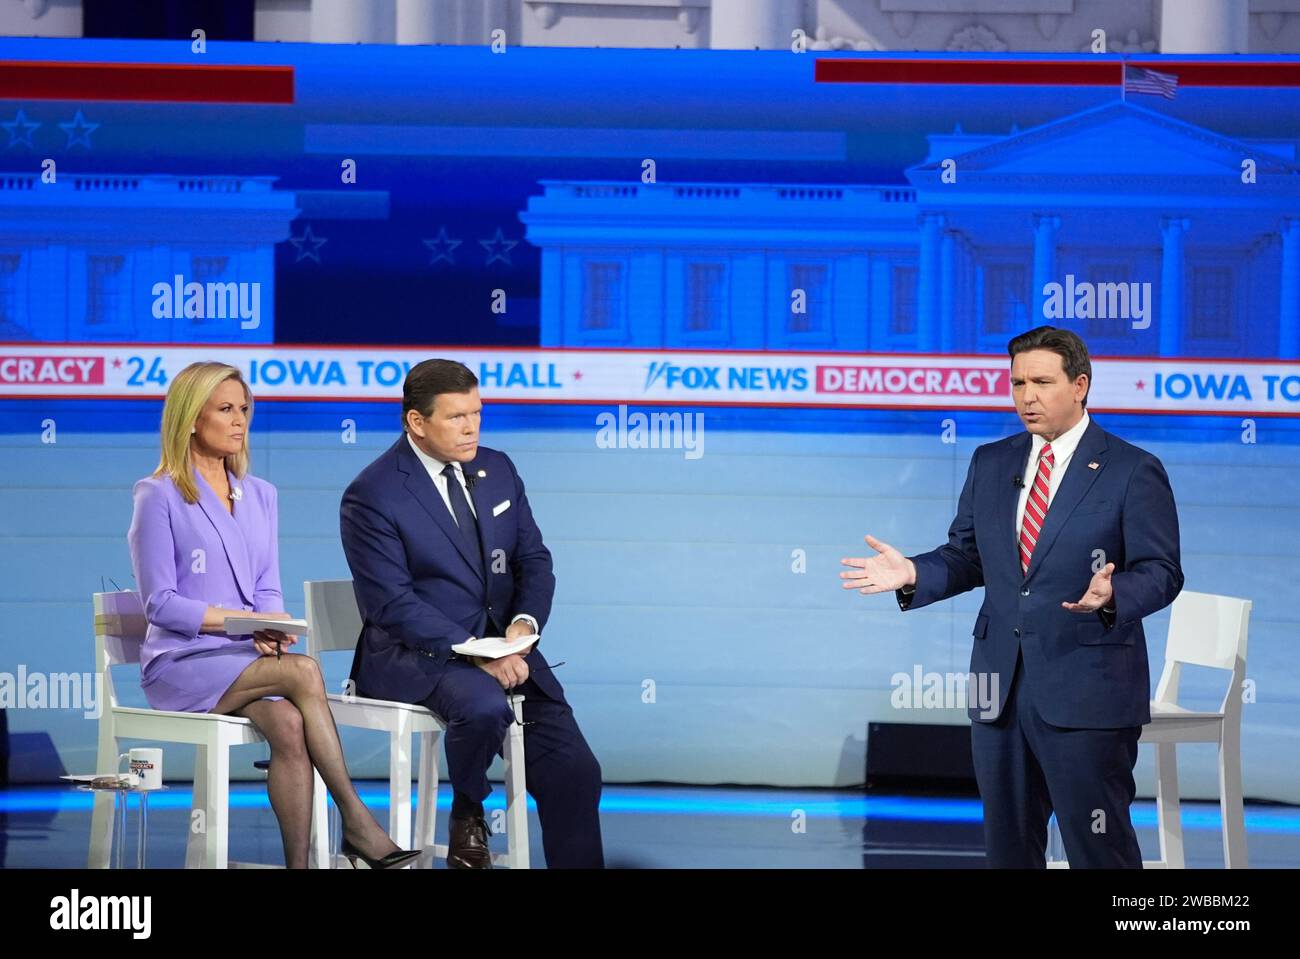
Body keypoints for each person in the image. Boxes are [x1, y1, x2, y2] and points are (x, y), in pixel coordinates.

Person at [840, 326, 1183, 868]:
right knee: (1009, 847)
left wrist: (1114, 592)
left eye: (1043, 382)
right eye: (1018, 382)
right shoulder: (991, 462)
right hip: (997, 684)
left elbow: (1162, 571)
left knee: (1098, 846)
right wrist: (912, 572)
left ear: (1080, 385)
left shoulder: (1131, 470)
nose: (1027, 396)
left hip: (1086, 687)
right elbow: (968, 557)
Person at [128, 361, 418, 870]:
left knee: (287, 722)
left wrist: (272, 627)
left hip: (244, 659)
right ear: (192, 418)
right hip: (181, 663)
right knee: (304, 669)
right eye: (225, 409)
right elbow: (160, 603)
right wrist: (240, 624)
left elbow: (265, 584)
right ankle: (356, 819)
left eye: (243, 409)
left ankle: (299, 866)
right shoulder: (159, 494)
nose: (239, 420)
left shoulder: (261, 495)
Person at [339, 358, 604, 869]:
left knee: (575, 771)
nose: (472, 427)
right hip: (418, 656)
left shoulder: (498, 469)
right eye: (457, 417)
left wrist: (524, 624)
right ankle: (467, 810)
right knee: (483, 705)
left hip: (509, 651)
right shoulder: (373, 495)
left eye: (477, 413)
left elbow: (534, 560)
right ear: (416, 422)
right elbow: (390, 604)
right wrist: (478, 651)